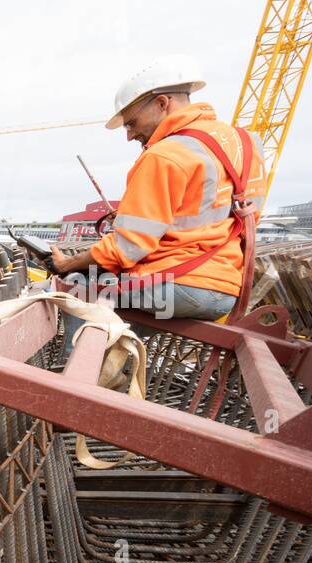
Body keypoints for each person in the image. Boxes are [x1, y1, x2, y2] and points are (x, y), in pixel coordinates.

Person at [52, 55, 266, 346]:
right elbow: (233, 219)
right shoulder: (247, 145)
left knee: (80, 290)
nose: (129, 135)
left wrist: (68, 265)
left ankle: (75, 382)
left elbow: (127, 248)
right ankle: (117, 363)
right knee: (117, 316)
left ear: (162, 103)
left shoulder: (165, 155)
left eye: (132, 123)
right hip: (225, 290)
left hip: (180, 287)